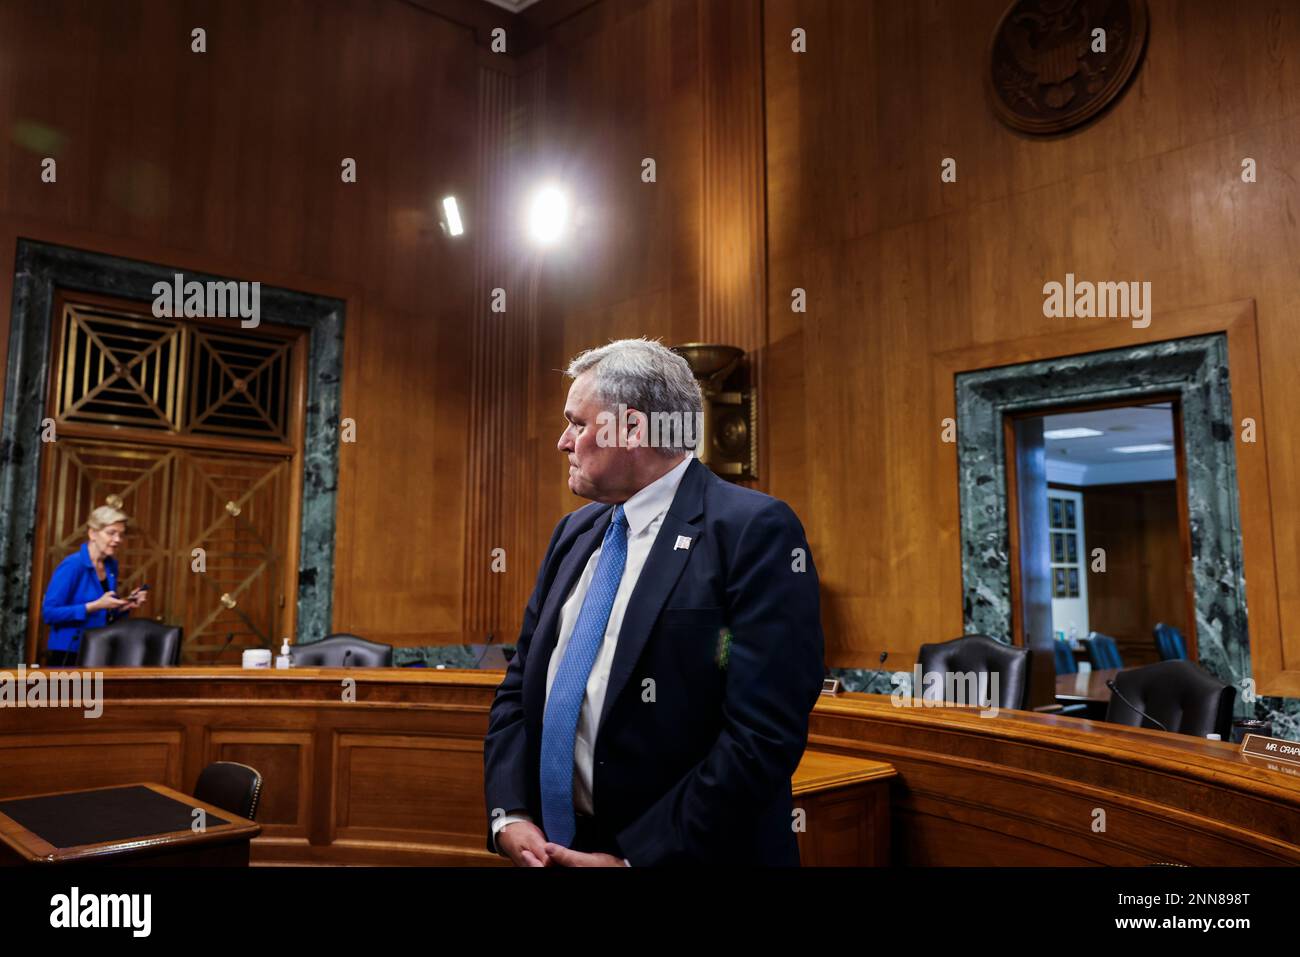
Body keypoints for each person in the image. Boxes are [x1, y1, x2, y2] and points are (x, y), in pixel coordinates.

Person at [483, 337, 825, 866]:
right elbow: (518, 685)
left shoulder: (752, 530)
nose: (562, 441)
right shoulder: (574, 533)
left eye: (577, 423)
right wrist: (509, 812)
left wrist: (635, 861)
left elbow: (761, 736)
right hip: (557, 848)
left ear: (633, 428)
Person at [41, 506, 149, 665]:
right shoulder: (73, 565)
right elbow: (49, 613)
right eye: (111, 533)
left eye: (121, 534)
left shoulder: (110, 566)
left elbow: (104, 613)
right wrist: (93, 606)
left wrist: (124, 605)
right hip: (69, 654)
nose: (118, 540)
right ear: (92, 533)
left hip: (99, 649)